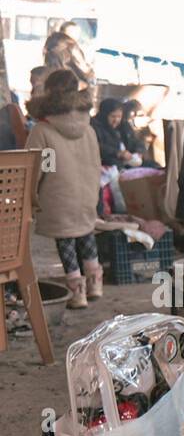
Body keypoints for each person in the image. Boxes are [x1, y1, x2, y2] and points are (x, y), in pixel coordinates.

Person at [25, 70, 104, 309]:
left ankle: (77, 294)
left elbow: (39, 167)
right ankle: (95, 285)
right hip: (87, 193)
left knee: (66, 242)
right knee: (86, 234)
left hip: (58, 195)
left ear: (49, 92)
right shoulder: (88, 127)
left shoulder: (43, 130)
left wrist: (30, 195)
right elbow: (96, 162)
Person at [43, 21, 94, 87]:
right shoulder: (70, 48)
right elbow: (82, 69)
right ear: (64, 34)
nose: (75, 37)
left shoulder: (51, 45)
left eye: (77, 34)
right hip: (70, 87)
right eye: (73, 33)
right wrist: (88, 72)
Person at [90, 98, 139, 167]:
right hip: (108, 161)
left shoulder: (124, 124)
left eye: (119, 116)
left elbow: (136, 141)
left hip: (128, 159)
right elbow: (95, 146)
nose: (116, 120)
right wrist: (117, 153)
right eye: (113, 116)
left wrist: (139, 152)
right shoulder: (94, 126)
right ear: (104, 115)